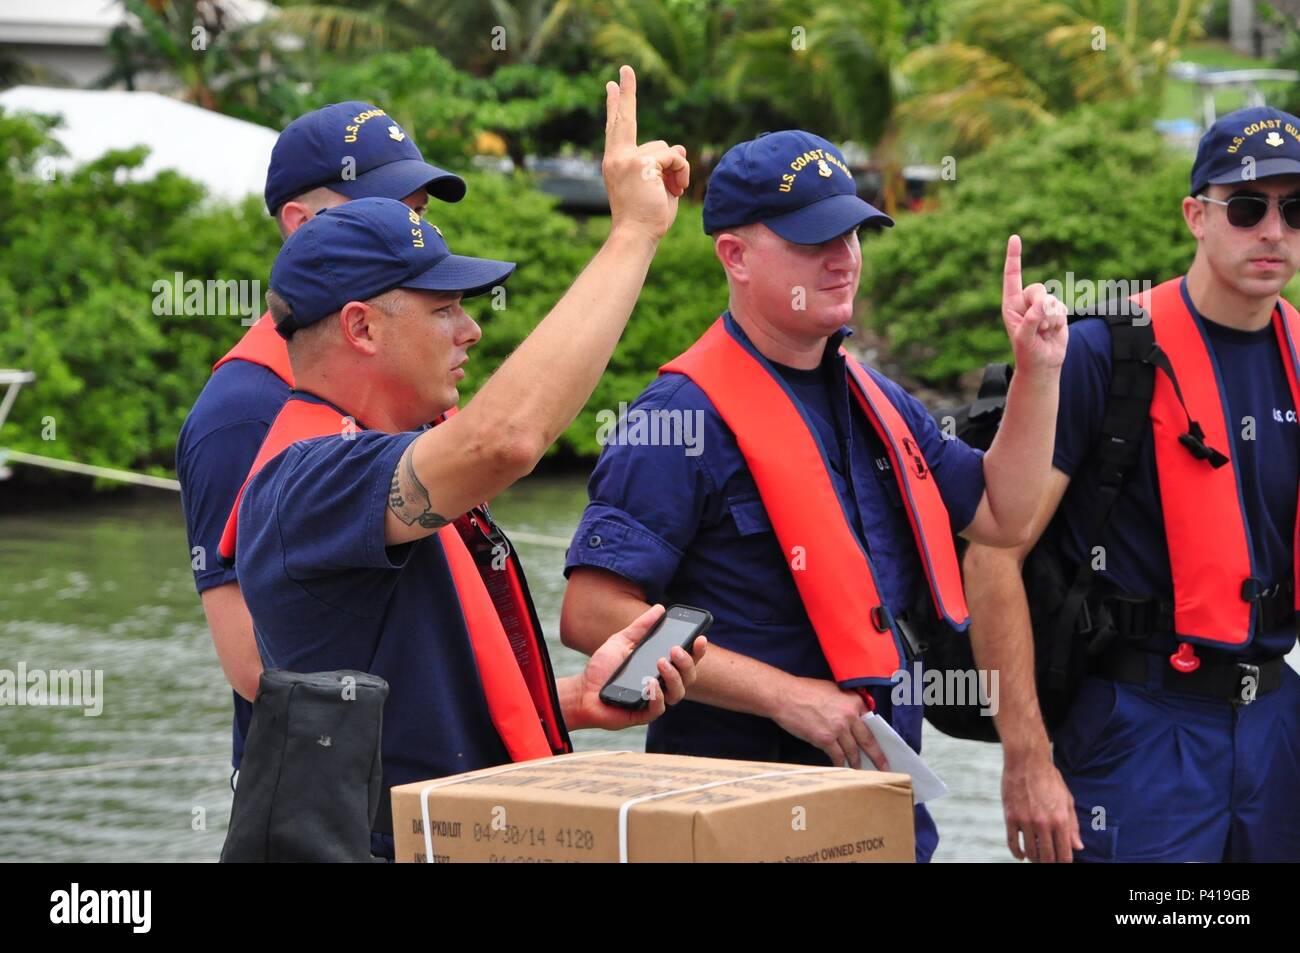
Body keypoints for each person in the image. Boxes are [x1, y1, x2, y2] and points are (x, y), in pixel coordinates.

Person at [223, 68, 706, 859]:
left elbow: (421, 701)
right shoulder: (309, 476)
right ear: (362, 329)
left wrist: (580, 696)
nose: (470, 331)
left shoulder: (372, 464)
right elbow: (506, 438)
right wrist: (632, 233)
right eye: (443, 307)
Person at [559, 129, 1067, 861]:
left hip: (878, 810)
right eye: (812, 239)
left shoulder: (878, 399)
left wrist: (1038, 372)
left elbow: (1001, 513)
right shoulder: (676, 419)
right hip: (732, 818)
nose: (844, 257)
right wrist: (784, 695)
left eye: (854, 233)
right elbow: (590, 614)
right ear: (734, 256)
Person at [964, 105, 1300, 862]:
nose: (1273, 231)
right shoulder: (1101, 356)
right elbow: (991, 554)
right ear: (1196, 215)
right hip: (1139, 725)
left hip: (1276, 720)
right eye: (1247, 208)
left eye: (1295, 210)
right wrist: (1026, 756)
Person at [176, 101, 464, 775]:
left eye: (419, 210)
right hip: (336, 806)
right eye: (391, 205)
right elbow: (256, 663)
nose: (411, 227)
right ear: (299, 225)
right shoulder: (242, 411)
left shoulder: (399, 371)